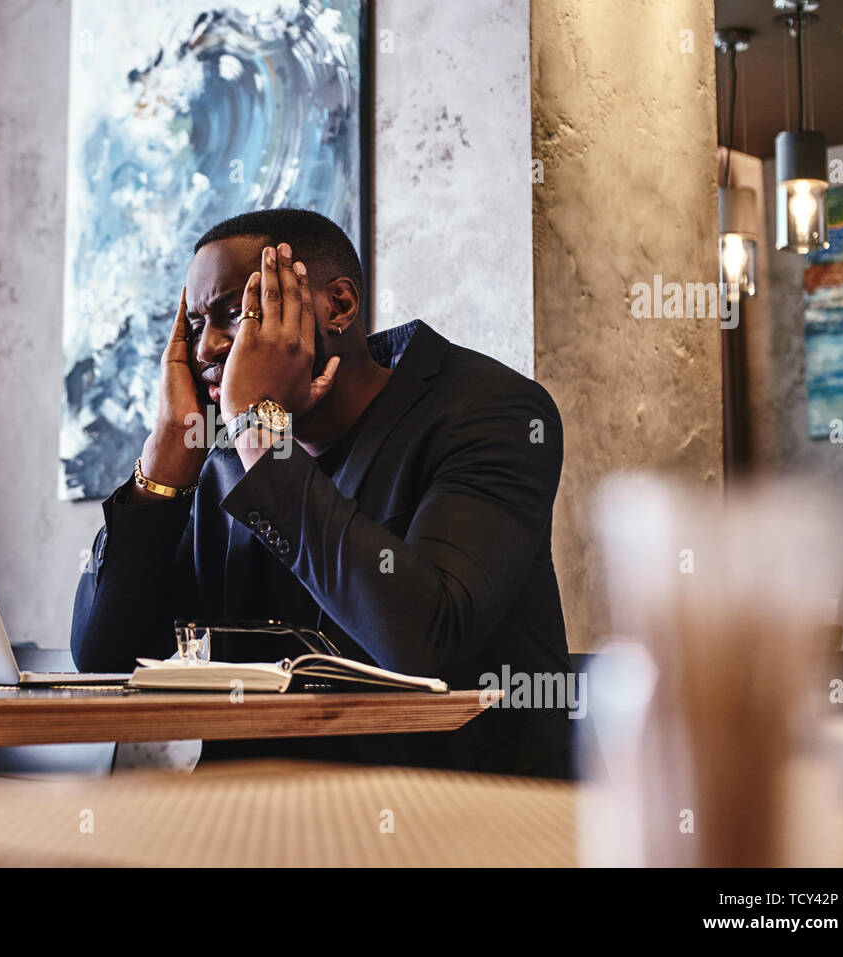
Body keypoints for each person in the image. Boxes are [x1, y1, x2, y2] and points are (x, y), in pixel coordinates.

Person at [71, 208, 572, 776]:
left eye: (233, 314)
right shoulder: (222, 462)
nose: (207, 347)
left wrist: (259, 434)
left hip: (456, 820)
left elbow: (426, 642)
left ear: (338, 306)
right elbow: (101, 660)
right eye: (194, 326)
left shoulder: (491, 413)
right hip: (252, 823)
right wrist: (162, 461)